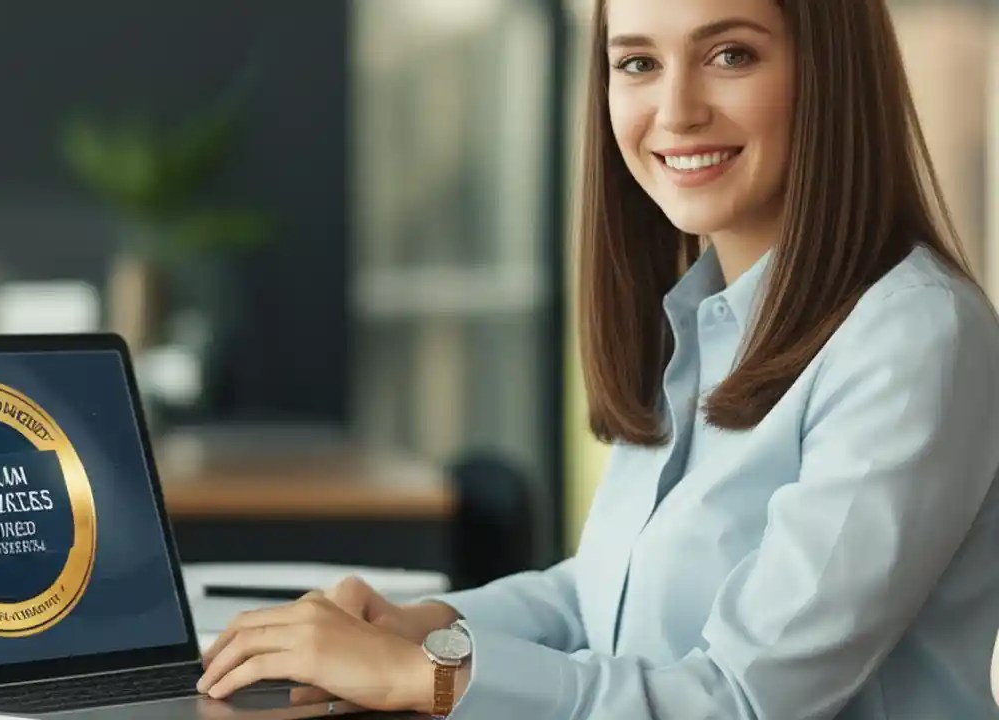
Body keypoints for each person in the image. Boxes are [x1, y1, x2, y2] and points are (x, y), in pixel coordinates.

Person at [195, 0, 999, 716]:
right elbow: (604, 597)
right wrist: (424, 628)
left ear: (829, 73)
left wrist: (425, 678)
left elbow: (742, 702)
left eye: (730, 54)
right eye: (638, 62)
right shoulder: (704, 316)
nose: (676, 111)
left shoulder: (914, 336)